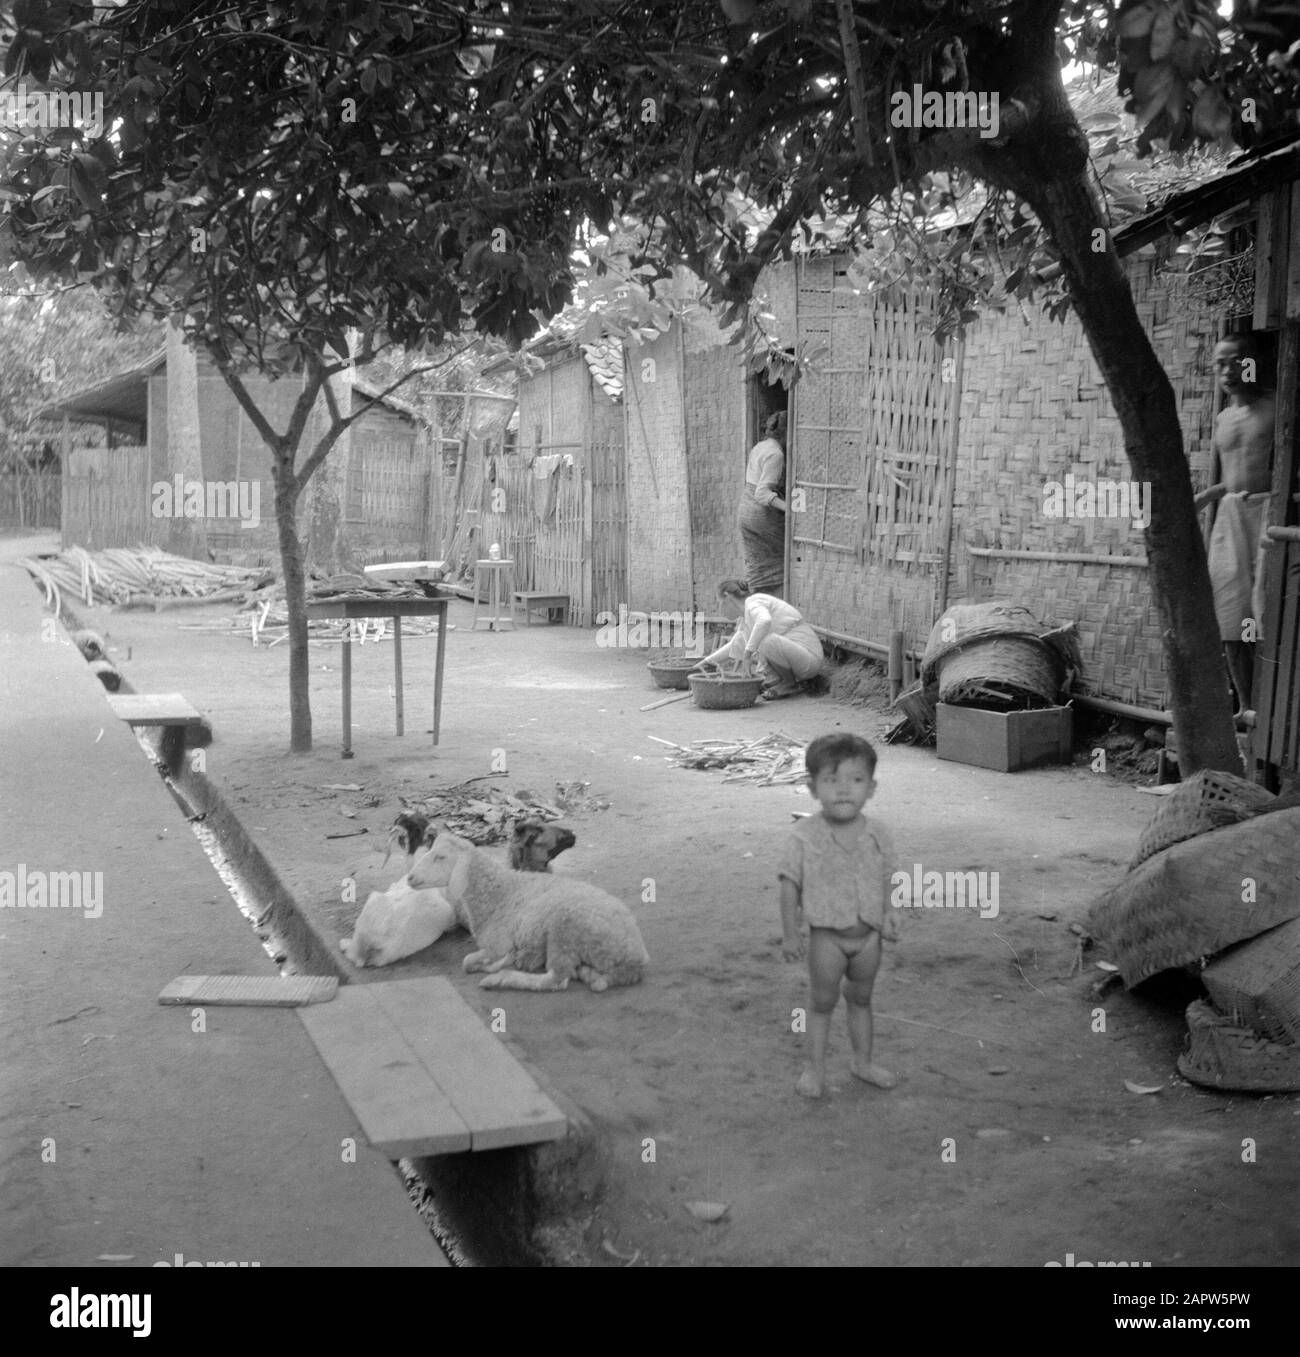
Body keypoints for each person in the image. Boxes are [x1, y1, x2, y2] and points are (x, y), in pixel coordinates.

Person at [777, 733, 899, 1099]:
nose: (844, 790)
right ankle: (814, 1070)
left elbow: (890, 875)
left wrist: (893, 911)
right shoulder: (803, 836)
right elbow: (789, 886)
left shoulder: (879, 833)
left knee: (861, 1000)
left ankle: (862, 1062)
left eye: (856, 780)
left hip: (869, 938)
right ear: (812, 787)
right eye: (832, 780)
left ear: (872, 787)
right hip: (827, 939)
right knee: (822, 1003)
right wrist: (790, 934)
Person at [1194, 333, 1276, 715]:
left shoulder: (1277, 407)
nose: (1228, 370)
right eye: (1220, 364)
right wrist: (1203, 499)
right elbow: (1233, 477)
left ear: (1253, 362)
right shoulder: (1224, 418)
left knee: (1266, 607)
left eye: (1236, 361)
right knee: (1231, 611)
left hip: (1269, 513)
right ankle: (1246, 706)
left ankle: (1273, 702)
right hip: (1230, 516)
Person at [696, 578, 823, 699]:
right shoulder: (745, 618)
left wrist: (747, 654)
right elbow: (736, 644)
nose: (720, 608)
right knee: (756, 640)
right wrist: (708, 662)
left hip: (809, 660)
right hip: (798, 662)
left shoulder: (754, 602)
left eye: (719, 602)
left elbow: (764, 621)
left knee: (766, 641)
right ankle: (782, 681)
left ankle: (789, 684)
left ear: (728, 597)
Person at [738, 410, 789, 599]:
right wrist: (788, 509)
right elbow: (762, 493)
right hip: (761, 516)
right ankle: (777, 608)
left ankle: (755, 607)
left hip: (745, 512)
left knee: (756, 565)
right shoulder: (776, 454)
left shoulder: (760, 446)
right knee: (780, 562)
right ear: (786, 432)